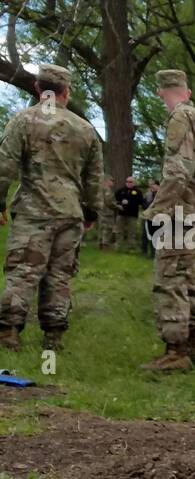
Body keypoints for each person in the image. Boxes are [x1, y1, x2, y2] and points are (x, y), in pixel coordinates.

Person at [0, 64, 103, 352]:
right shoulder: (85, 129)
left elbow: (5, 165)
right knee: (60, 276)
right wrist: (92, 211)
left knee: (23, 272)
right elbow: (94, 177)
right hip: (70, 214)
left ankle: (9, 334)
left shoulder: (24, 121)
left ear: (37, 87)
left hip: (34, 211)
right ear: (66, 92)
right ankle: (53, 340)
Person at [139, 69, 195, 372]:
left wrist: (155, 211)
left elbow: (177, 171)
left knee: (170, 281)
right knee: (189, 281)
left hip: (177, 215)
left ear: (162, 93)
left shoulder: (180, 118)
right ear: (186, 91)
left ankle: (175, 352)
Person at [113, 176, 146, 251]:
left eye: (130, 182)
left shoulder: (138, 192)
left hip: (132, 214)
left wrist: (130, 202)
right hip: (121, 214)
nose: (128, 183)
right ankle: (118, 246)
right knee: (118, 231)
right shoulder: (121, 190)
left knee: (131, 232)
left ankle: (131, 247)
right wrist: (119, 203)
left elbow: (141, 202)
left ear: (134, 183)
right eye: (127, 181)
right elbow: (114, 200)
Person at [98, 177, 118, 249]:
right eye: (112, 180)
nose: (113, 182)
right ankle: (105, 245)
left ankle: (101, 243)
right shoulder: (107, 190)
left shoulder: (100, 189)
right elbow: (109, 202)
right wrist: (117, 206)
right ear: (107, 181)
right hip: (107, 212)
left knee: (102, 228)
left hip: (101, 211)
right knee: (108, 228)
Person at [142, 179, 160, 256]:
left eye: (153, 184)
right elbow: (143, 203)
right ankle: (144, 252)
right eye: (151, 184)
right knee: (146, 235)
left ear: (158, 186)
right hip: (148, 217)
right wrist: (147, 208)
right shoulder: (148, 194)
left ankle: (154, 253)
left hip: (157, 218)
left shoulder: (161, 195)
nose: (152, 186)